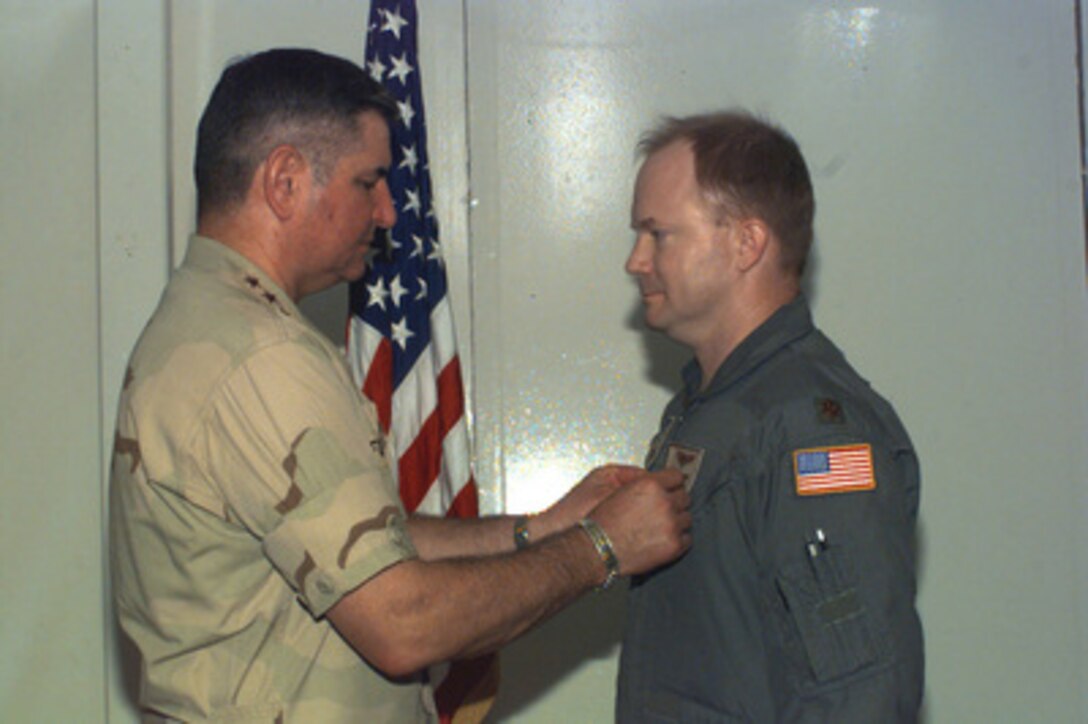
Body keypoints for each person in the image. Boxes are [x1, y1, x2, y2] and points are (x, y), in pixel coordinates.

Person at [109, 48, 691, 723]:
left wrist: (540, 529)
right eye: (369, 181)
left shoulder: (216, 323)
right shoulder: (258, 355)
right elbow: (403, 624)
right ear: (286, 181)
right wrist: (599, 548)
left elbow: (357, 543)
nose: (388, 211)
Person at [617, 111, 923, 721]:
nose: (635, 260)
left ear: (746, 243)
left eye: (659, 234)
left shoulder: (811, 430)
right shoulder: (709, 408)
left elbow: (855, 696)